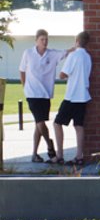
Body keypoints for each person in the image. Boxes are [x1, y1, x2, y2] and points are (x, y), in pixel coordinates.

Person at [18, 29, 64, 163]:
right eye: (42, 39)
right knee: (40, 122)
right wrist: (25, 86)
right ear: (36, 40)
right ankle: (50, 147)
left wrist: (77, 46)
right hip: (32, 93)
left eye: (46, 39)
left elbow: (66, 52)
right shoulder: (28, 53)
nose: (45, 42)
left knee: (38, 124)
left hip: (45, 94)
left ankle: (34, 154)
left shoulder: (52, 54)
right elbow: (22, 70)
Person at [53, 30, 93, 166]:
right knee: (79, 125)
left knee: (57, 123)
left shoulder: (73, 56)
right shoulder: (88, 57)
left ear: (76, 41)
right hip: (83, 96)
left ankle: (59, 155)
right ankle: (79, 156)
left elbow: (62, 75)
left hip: (72, 96)